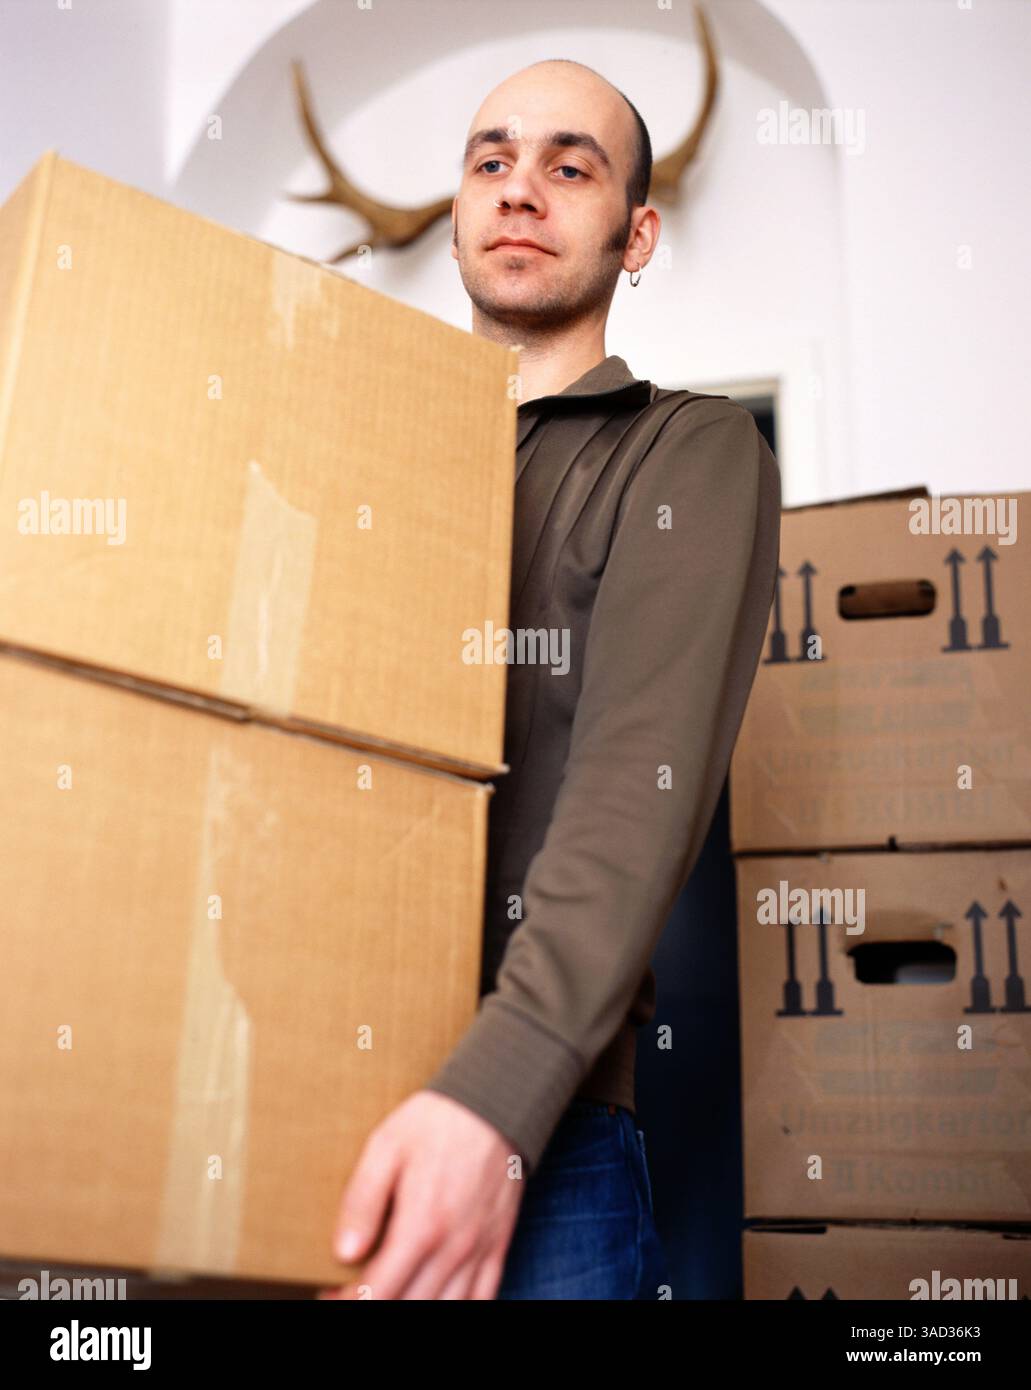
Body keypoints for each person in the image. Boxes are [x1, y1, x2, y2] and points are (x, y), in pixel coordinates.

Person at [319, 56, 780, 1301]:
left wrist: (492, 1102)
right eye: (491, 160)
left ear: (636, 236)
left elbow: (636, 791)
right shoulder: (361, 451)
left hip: (540, 1133)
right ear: (461, 210)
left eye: (568, 166)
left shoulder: (688, 452)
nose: (520, 188)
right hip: (306, 1086)